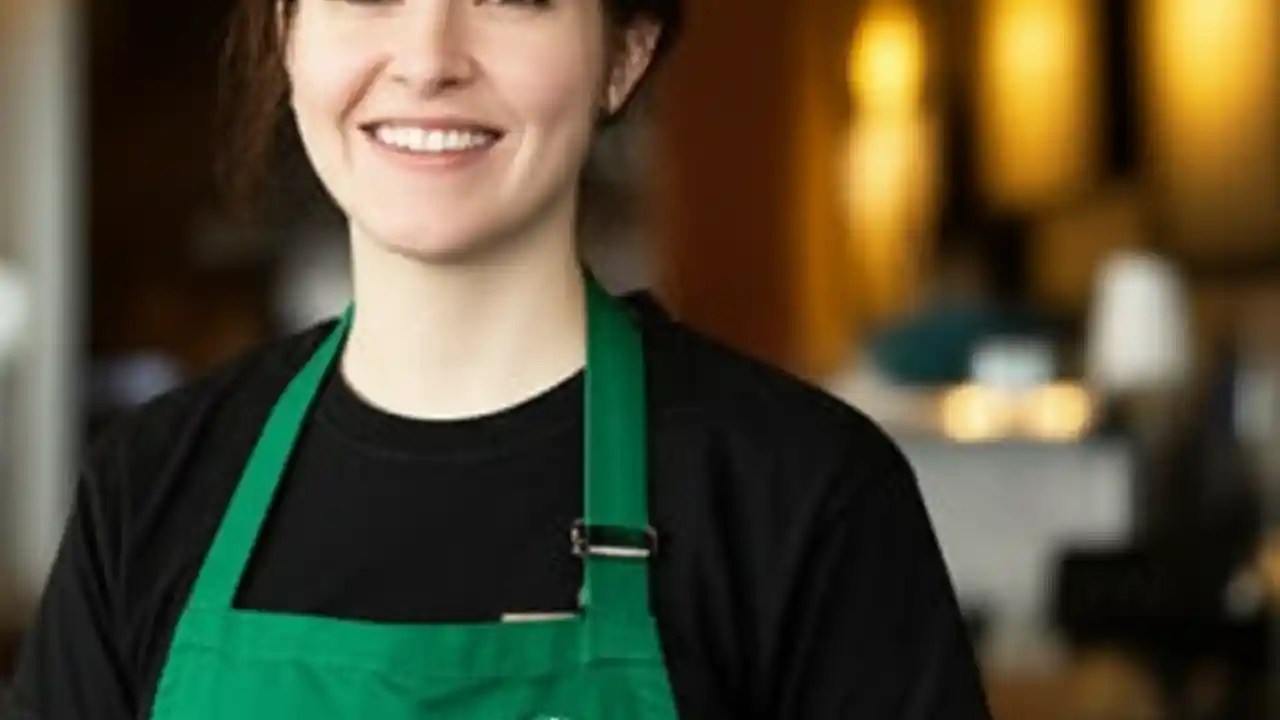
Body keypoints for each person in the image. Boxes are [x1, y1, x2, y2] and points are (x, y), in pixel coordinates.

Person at [4, 0, 991, 717]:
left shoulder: (802, 496)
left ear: (624, 51)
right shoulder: (152, 487)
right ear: (285, 32)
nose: (427, 57)